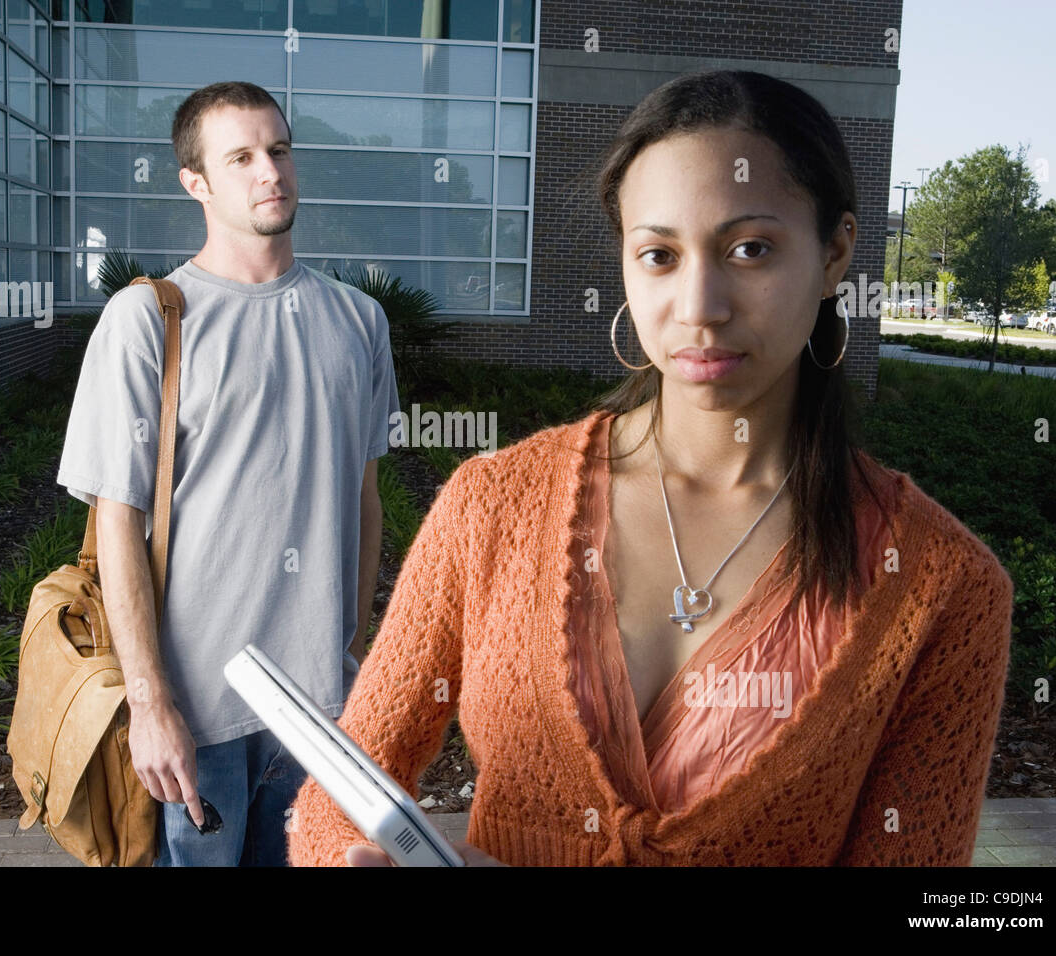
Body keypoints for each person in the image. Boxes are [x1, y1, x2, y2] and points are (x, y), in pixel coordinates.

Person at [286, 70, 1013, 867]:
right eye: (660, 254)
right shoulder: (491, 505)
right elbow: (339, 789)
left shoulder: (942, 587)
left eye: (750, 249)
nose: (699, 304)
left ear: (835, 252)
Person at [56, 81, 401, 866]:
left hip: (319, 712)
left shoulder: (358, 320)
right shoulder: (148, 317)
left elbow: (364, 497)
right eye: (240, 157)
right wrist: (149, 705)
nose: (269, 171)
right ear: (197, 183)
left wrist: (351, 655)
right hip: (196, 715)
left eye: (278, 150)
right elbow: (118, 521)